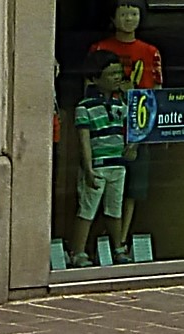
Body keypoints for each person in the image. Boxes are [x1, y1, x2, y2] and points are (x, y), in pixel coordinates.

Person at [89, 1, 163, 254]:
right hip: (104, 128)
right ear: (113, 17)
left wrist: (139, 138)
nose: (129, 19)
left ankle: (119, 241)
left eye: (134, 13)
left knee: (132, 188)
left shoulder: (150, 52)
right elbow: (87, 87)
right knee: (97, 188)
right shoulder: (100, 48)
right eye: (124, 13)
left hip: (137, 129)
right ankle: (95, 243)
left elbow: (156, 95)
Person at [68, 51, 133, 268]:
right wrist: (87, 167)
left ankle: (118, 247)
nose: (117, 77)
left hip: (118, 164)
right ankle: (77, 251)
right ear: (96, 78)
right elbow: (84, 140)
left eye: (118, 72)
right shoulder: (85, 107)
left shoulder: (122, 104)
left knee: (115, 208)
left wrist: (132, 147)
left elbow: (135, 128)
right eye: (111, 73)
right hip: (97, 165)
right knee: (87, 209)